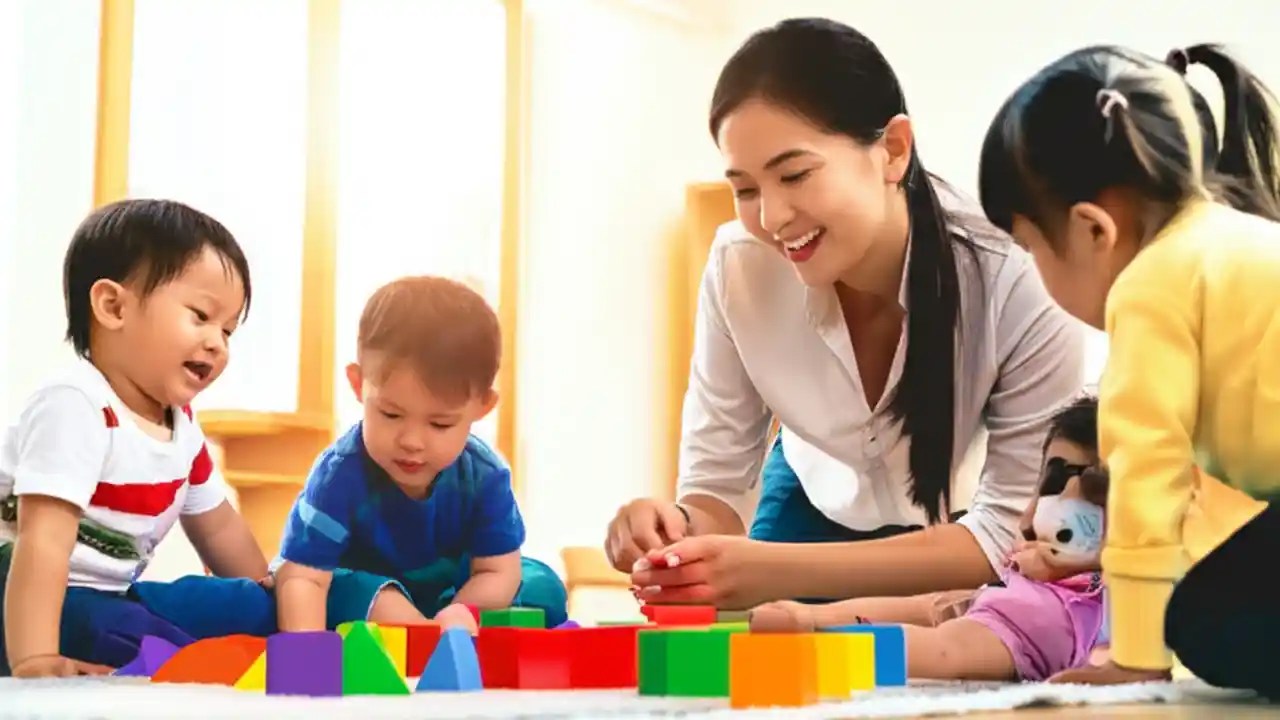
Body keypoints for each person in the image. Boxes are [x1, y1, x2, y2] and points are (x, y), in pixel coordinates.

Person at [606, 17, 1085, 609]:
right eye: (746, 189)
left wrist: (782, 573)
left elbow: (1007, 529)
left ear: (892, 150)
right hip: (811, 496)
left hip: (959, 526)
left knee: (977, 638)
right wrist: (672, 533)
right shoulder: (738, 266)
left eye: (795, 174)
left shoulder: (1015, 271)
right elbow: (718, 490)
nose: (773, 216)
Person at [976, 43, 1280, 697]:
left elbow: (1146, 477)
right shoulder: (1242, 242)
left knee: (1203, 619)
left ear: (1092, 229)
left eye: (1030, 247)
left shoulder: (1151, 286)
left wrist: (1136, 652)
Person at [0, 199, 269, 677]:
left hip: (107, 595)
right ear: (113, 306)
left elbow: (220, 528)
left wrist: (264, 590)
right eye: (201, 316)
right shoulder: (76, 405)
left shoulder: (180, 425)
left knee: (246, 606)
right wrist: (35, 660)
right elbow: (42, 545)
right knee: (129, 634)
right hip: (22, 596)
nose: (217, 342)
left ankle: (256, 641)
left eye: (228, 330)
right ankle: (199, 664)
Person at [273, 276, 567, 633]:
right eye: (391, 415)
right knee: (304, 589)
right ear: (357, 383)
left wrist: (462, 612)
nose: (412, 441)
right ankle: (413, 626)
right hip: (368, 592)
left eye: (440, 424)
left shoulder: (485, 475)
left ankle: (431, 629)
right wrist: (307, 657)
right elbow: (306, 576)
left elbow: (497, 570)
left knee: (543, 585)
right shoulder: (340, 474)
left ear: (482, 406)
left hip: (451, 596)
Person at [750, 396, 1107, 682]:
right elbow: (933, 609)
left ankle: (816, 648)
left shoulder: (1046, 612)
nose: (1030, 515)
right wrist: (811, 617)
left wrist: (818, 651)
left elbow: (945, 651)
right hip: (1026, 600)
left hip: (1045, 615)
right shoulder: (1045, 590)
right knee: (942, 606)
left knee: (946, 640)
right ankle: (811, 622)